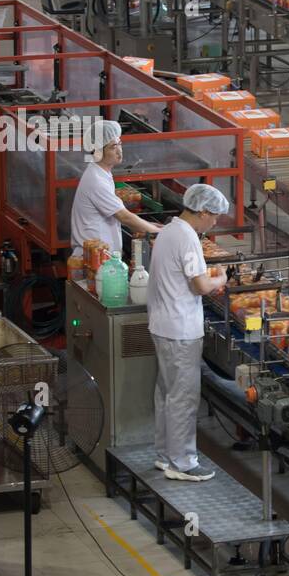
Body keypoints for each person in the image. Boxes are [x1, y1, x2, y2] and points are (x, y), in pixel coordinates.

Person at [146, 183, 230, 482]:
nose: (216, 222)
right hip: (180, 330)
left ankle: (164, 453)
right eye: (215, 216)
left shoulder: (169, 231)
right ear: (203, 211)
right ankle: (182, 463)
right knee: (183, 397)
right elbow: (200, 285)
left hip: (162, 325)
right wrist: (221, 277)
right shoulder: (188, 238)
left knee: (166, 393)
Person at [69, 119, 162, 262]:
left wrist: (151, 226)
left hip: (102, 257)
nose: (119, 151)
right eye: (113, 147)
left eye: (120, 144)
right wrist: (160, 233)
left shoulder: (102, 173)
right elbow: (124, 217)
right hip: (92, 260)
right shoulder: (96, 181)